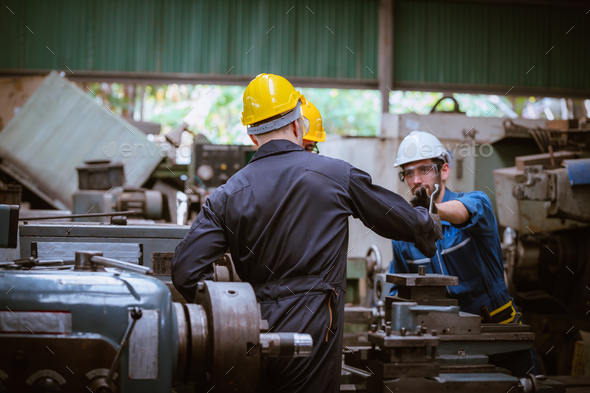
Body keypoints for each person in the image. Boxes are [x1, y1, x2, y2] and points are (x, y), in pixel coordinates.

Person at [172, 74, 442, 393]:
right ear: (299, 125)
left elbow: (186, 272)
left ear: (251, 135)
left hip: (248, 335)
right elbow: (403, 222)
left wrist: (235, 312)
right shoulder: (335, 175)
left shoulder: (226, 195)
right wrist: (428, 220)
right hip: (314, 329)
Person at [388, 130, 539, 376]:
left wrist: (433, 210)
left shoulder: (476, 204)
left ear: (444, 170)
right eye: (408, 172)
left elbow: (467, 211)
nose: (416, 180)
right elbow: (399, 293)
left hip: (501, 337)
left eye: (424, 169)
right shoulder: (403, 237)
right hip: (445, 346)